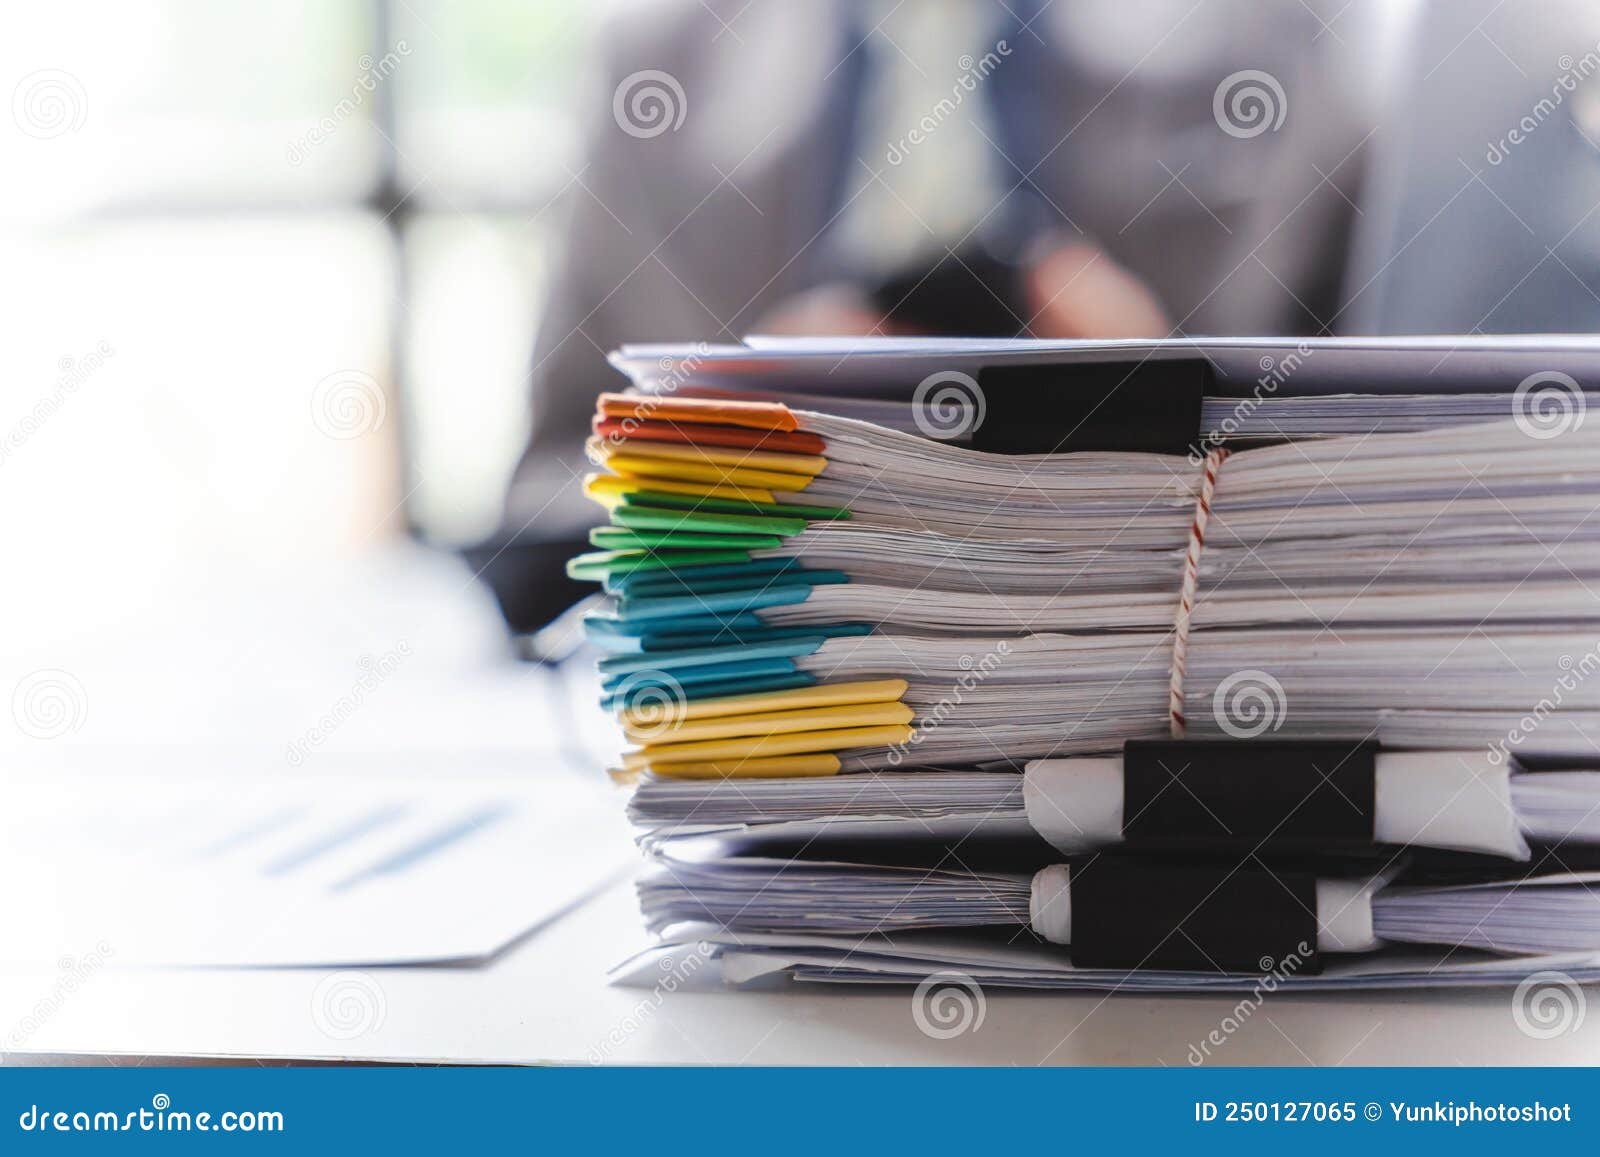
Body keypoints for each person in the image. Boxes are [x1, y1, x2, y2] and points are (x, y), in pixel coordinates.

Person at [492, 0, 1390, 622]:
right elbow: (537, 512)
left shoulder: (1273, 46)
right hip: (771, 743)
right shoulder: (654, 66)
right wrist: (725, 462)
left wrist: (1168, 416)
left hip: (1158, 726)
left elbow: (1390, 488)